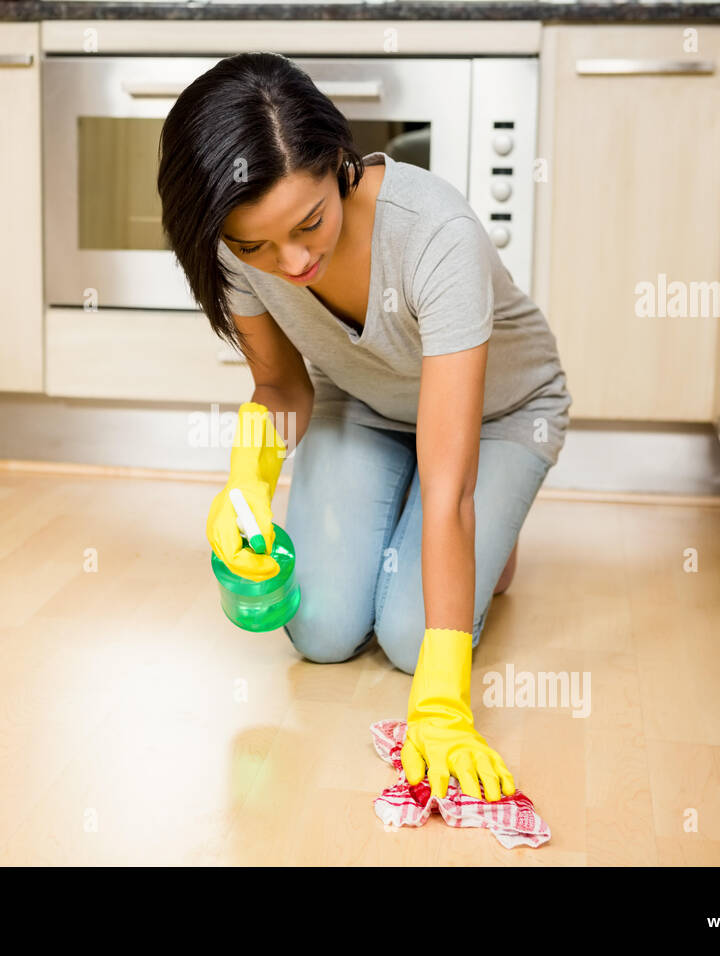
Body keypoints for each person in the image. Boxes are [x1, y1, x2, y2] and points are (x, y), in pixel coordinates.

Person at [157, 53, 571, 803]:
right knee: (319, 631)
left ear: (339, 162)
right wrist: (246, 485)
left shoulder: (433, 234)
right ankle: (417, 520)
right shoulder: (237, 244)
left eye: (309, 223)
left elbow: (451, 484)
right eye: (258, 248)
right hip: (369, 404)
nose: (292, 262)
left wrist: (445, 705)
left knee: (416, 643)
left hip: (498, 418)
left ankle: (489, 549)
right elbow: (281, 385)